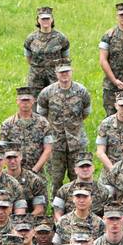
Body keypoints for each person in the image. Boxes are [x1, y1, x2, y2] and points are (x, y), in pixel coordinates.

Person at [36, 63, 92, 196]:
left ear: (72, 72)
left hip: (77, 143)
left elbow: (85, 113)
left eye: (67, 72)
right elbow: (42, 115)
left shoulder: (81, 91)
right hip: (56, 144)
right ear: (56, 74)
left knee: (79, 179)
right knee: (55, 180)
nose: (64, 75)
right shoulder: (47, 93)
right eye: (61, 72)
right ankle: (57, 211)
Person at [24, 7, 70, 98]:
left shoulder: (60, 38)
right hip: (35, 79)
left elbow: (65, 58)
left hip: (55, 77)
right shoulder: (31, 38)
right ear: (38, 20)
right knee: (35, 104)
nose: (45, 21)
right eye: (43, 19)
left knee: (56, 101)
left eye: (48, 18)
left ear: (52, 20)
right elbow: (28, 57)